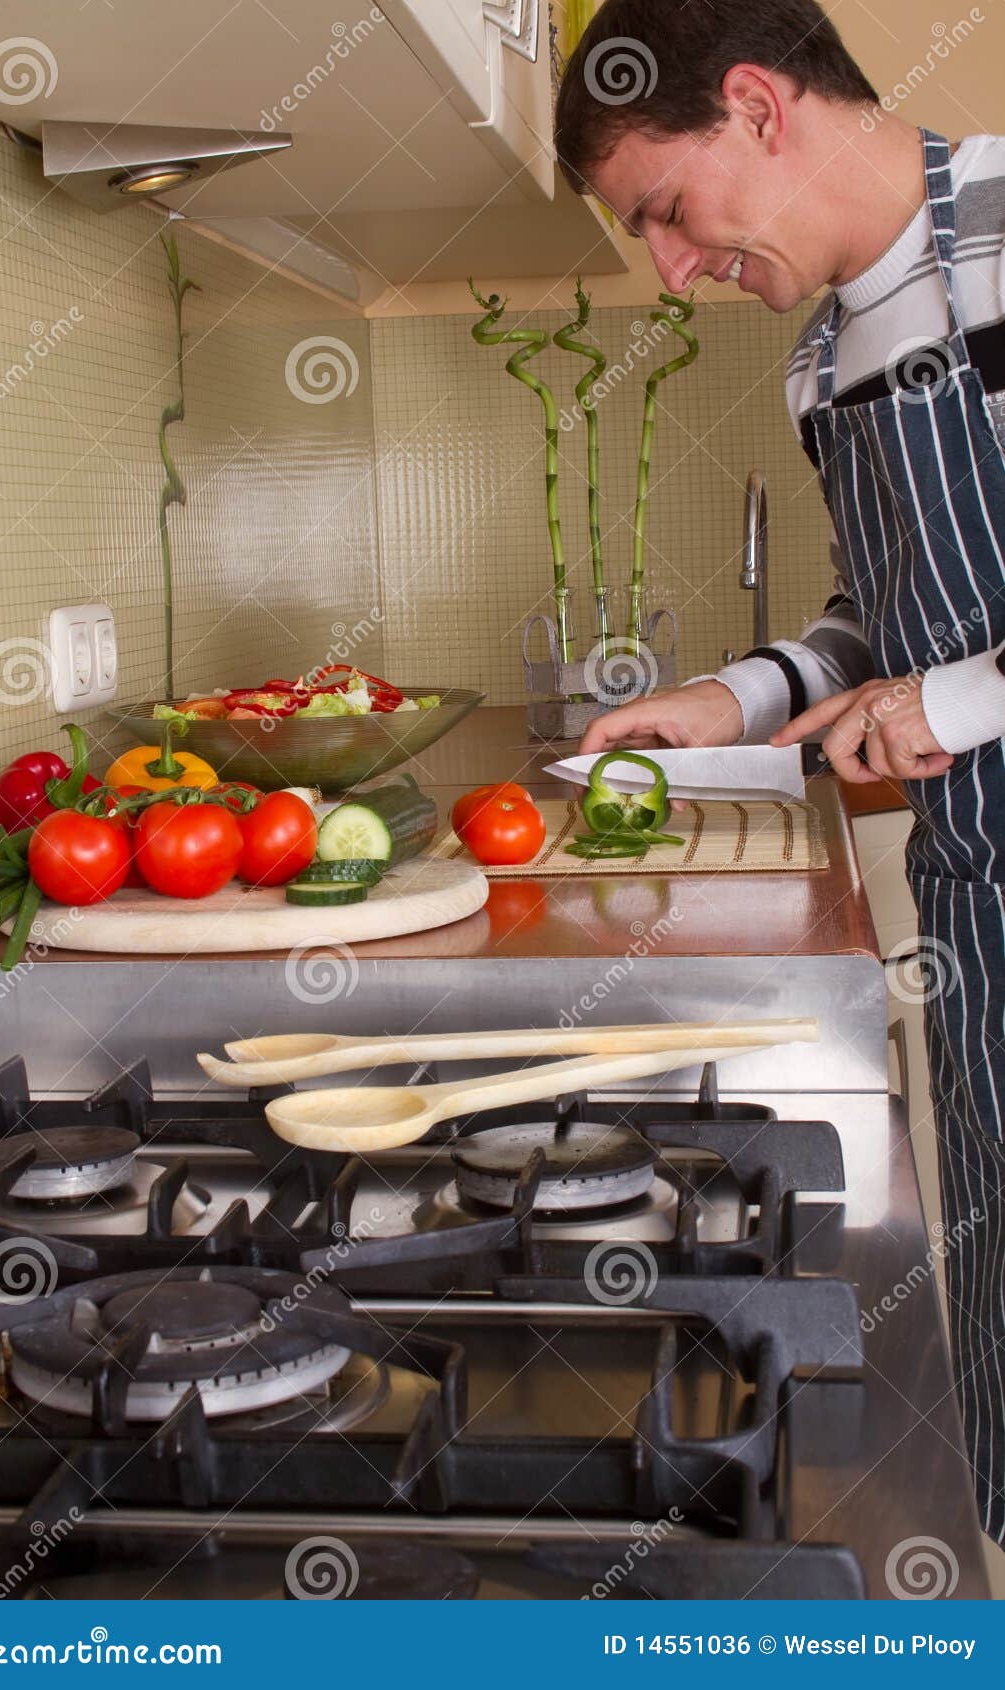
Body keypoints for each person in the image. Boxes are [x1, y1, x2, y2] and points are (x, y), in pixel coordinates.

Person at [555, 0, 1005, 1544]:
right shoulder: (824, 360)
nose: (672, 271)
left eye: (664, 216)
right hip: (982, 901)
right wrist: (729, 699)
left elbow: (939, 672)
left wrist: (954, 702)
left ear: (756, 102)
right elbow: (872, 619)